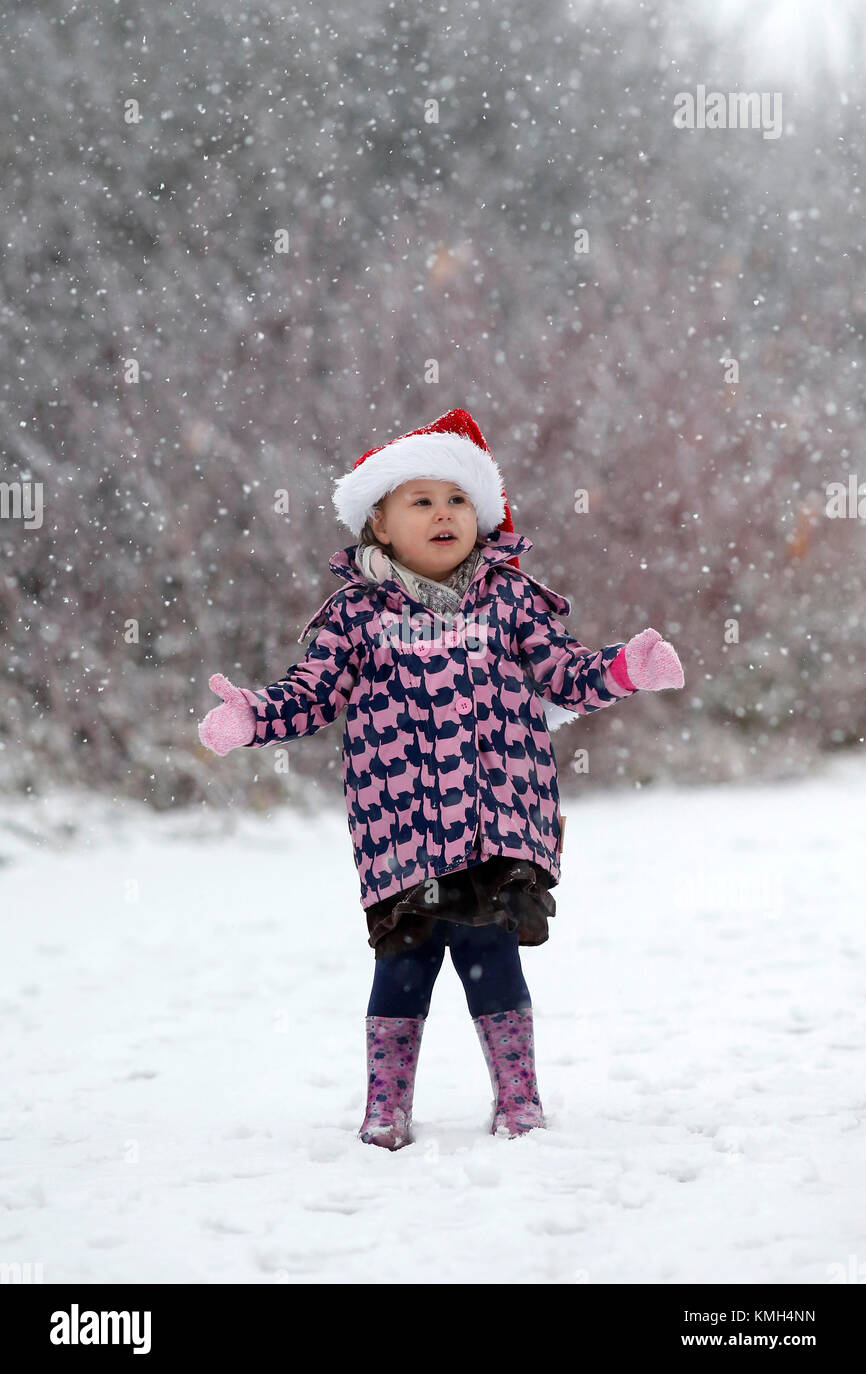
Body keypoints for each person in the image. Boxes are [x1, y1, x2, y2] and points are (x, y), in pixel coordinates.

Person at [197, 407, 684, 1150]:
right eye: (420, 500)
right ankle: (386, 1105)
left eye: (457, 499)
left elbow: (563, 672)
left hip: (499, 818)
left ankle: (518, 1097)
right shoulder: (357, 616)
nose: (443, 513)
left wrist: (623, 669)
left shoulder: (511, 600)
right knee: (406, 959)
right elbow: (312, 692)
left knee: (491, 952)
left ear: (481, 515)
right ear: (381, 523)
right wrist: (254, 717)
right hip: (402, 826)